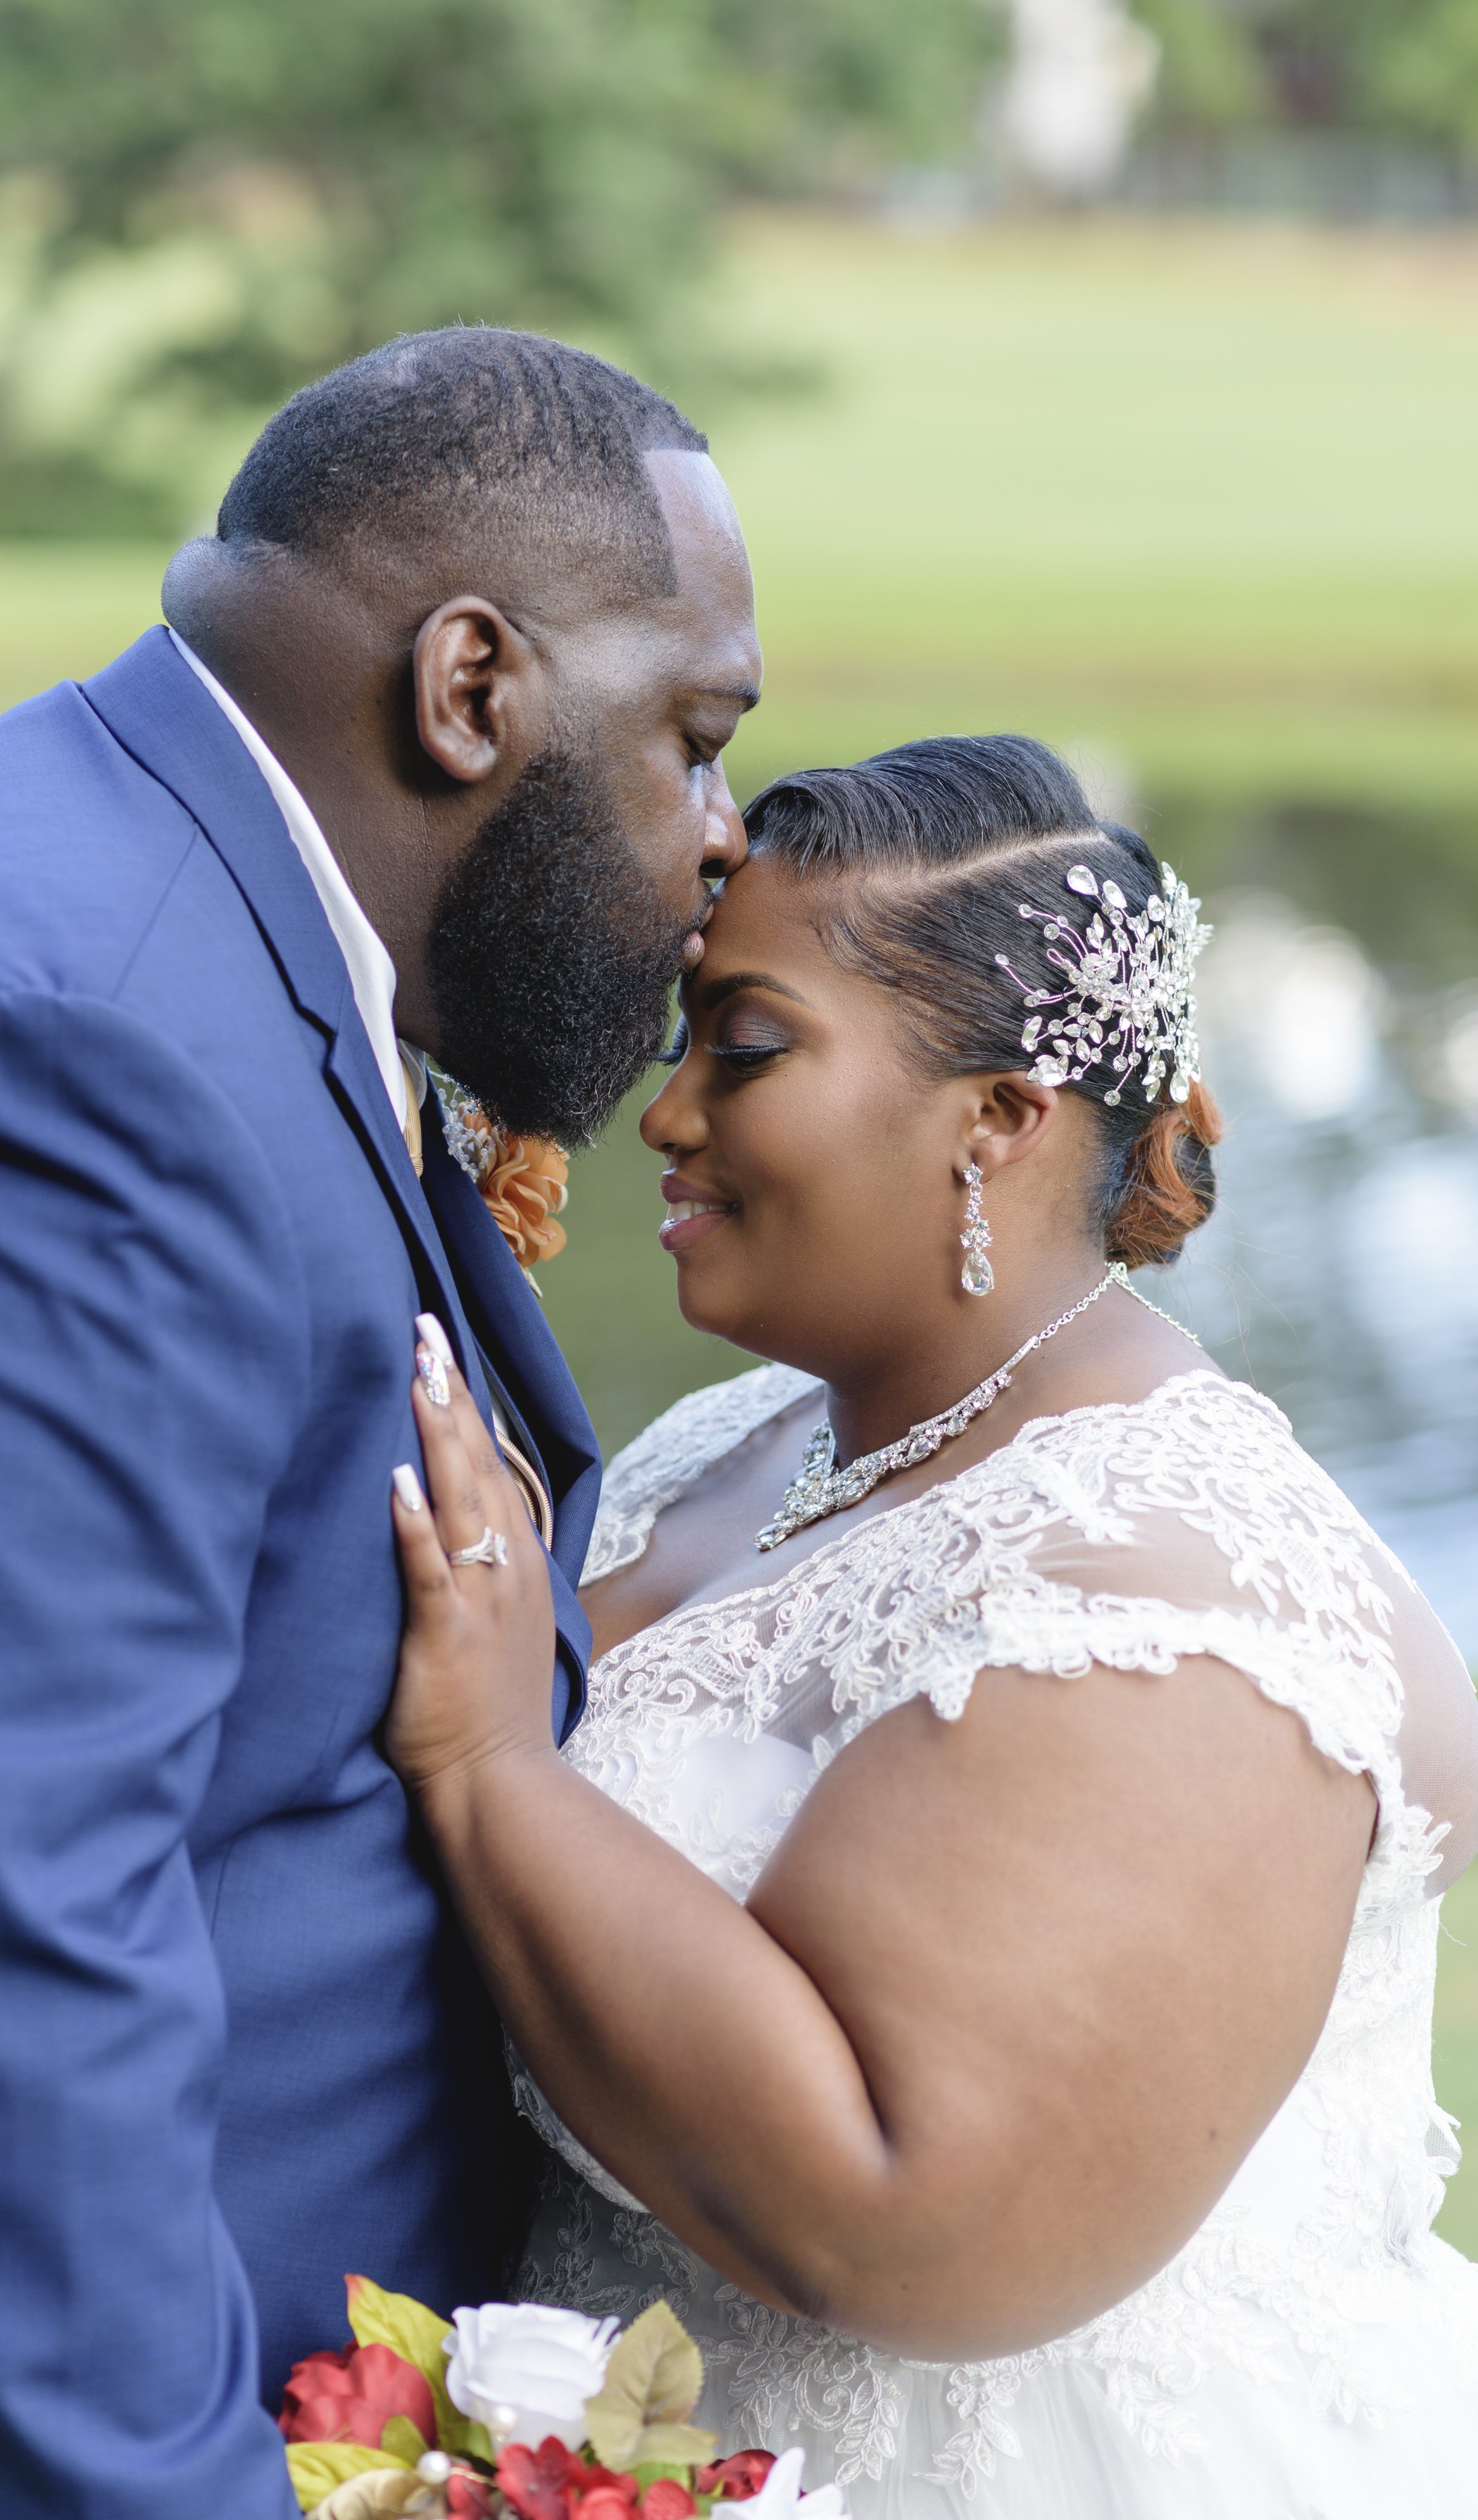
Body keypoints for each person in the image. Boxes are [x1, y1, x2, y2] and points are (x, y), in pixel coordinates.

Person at [0, 328, 760, 2520]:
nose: (720, 845)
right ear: (469, 688)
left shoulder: (182, 925)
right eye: (691, 738)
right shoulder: (57, 1054)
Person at [387, 734, 1478, 2517]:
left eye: (742, 1050)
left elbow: (907, 2217)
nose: (663, 1112)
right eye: (682, 1045)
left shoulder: (1155, 1599)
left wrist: (493, 1765)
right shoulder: (752, 1439)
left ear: (998, 1118)